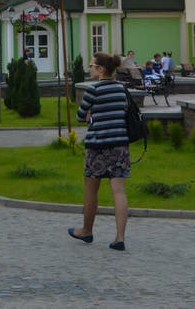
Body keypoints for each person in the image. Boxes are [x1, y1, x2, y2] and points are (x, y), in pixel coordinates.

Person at [68, 52, 129, 251]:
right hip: (120, 145)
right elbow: (124, 111)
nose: (89, 68)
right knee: (118, 190)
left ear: (101, 69)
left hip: (97, 146)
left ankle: (87, 230)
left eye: (92, 66)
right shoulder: (121, 89)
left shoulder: (93, 91)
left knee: (91, 189)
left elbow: (80, 116)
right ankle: (120, 238)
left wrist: (92, 115)